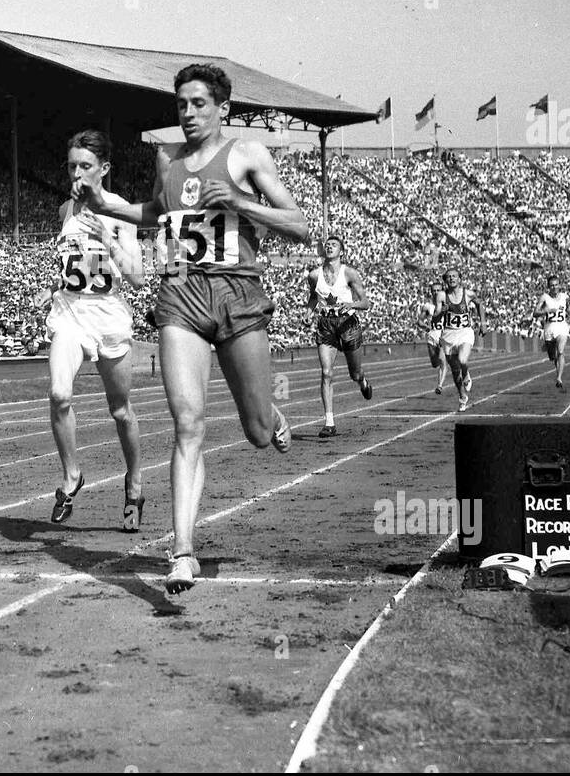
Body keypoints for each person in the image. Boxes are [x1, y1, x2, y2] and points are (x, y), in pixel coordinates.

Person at [77, 63, 310, 596]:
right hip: (179, 296)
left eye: (199, 104)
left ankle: (267, 411)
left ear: (222, 108)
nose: (188, 113)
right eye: (181, 104)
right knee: (187, 424)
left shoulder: (247, 155)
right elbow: (156, 213)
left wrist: (240, 202)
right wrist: (103, 202)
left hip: (238, 298)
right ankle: (182, 552)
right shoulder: (168, 162)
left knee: (254, 432)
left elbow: (299, 225)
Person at [45, 129, 145, 530]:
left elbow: (137, 276)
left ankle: (135, 483)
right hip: (70, 313)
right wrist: (50, 287)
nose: (77, 174)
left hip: (109, 316)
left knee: (120, 411)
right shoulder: (64, 212)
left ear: (103, 169)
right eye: (72, 166)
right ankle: (72, 475)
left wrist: (109, 238)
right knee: (58, 393)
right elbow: (75, 270)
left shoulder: (122, 210)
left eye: (85, 166)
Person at [305, 234, 372, 438]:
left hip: (348, 324)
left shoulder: (349, 273)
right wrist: (308, 314)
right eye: (327, 244)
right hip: (326, 325)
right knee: (326, 373)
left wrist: (350, 305)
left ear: (341, 251)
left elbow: (366, 303)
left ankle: (362, 382)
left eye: (334, 245)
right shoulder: (314, 275)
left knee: (355, 373)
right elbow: (313, 297)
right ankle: (329, 423)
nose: (329, 246)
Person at [433, 268, 485, 412]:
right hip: (449, 334)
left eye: (454, 276)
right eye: (448, 277)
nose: (451, 279)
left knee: (462, 360)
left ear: (460, 279)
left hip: (465, 332)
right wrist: (441, 311)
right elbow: (435, 317)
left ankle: (466, 373)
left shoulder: (468, 294)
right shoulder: (441, 296)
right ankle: (462, 397)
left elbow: (480, 304)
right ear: (445, 280)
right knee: (455, 371)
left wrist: (484, 323)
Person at [533, 274, 570, 390]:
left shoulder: (564, 296)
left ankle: (559, 378)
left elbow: (568, 309)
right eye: (551, 286)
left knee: (561, 351)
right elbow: (535, 313)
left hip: (562, 327)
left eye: (556, 285)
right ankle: (557, 370)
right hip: (549, 328)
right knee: (553, 357)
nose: (554, 287)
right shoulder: (544, 297)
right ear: (548, 287)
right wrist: (545, 310)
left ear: (559, 285)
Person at [418, 279, 447, 394]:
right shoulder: (427, 306)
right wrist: (426, 327)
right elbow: (419, 321)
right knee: (435, 363)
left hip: (443, 337)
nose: (436, 293)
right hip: (431, 337)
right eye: (434, 291)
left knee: (442, 360)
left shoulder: (447, 306)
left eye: (438, 290)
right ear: (431, 292)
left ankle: (440, 385)